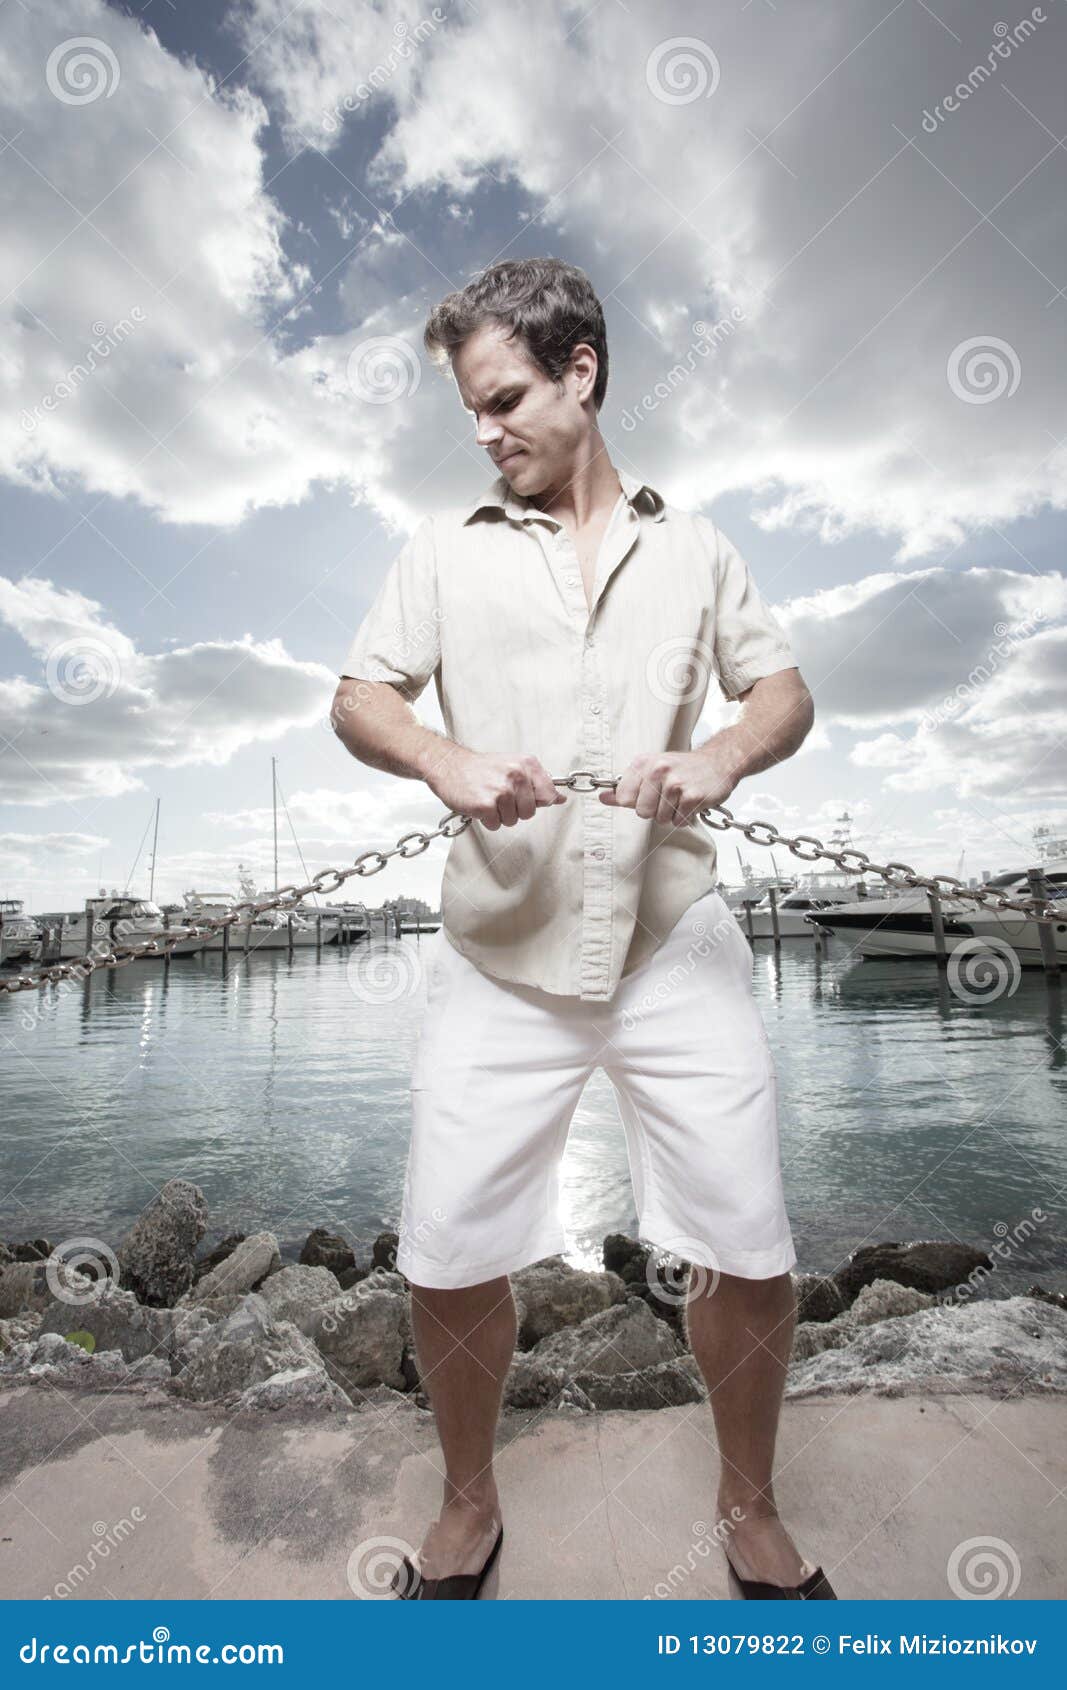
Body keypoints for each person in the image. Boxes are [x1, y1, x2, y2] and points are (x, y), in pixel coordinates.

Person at [332, 257, 831, 1601]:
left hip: (676, 939)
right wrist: (441, 758)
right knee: (443, 1248)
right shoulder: (440, 551)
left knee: (749, 1241)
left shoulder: (699, 544)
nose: (486, 433)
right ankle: (468, 1500)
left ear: (583, 374)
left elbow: (783, 689)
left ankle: (750, 1504)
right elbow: (359, 698)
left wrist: (725, 752)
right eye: (472, 414)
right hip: (502, 952)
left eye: (504, 402)